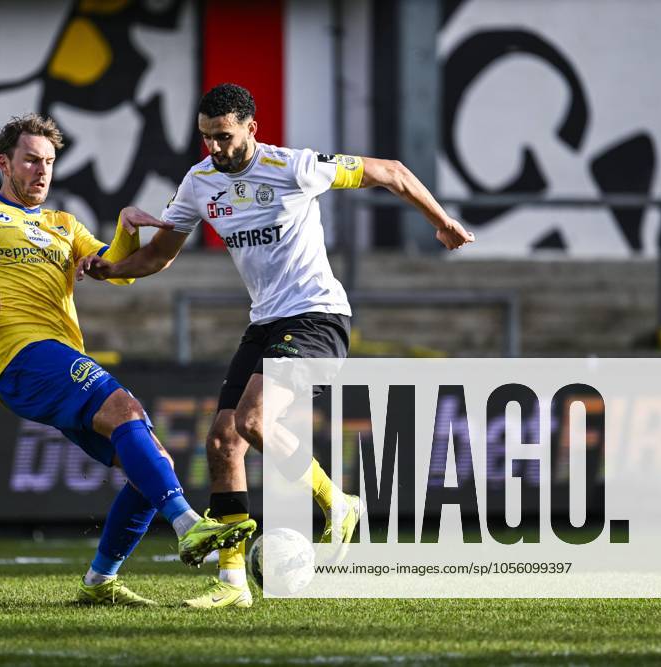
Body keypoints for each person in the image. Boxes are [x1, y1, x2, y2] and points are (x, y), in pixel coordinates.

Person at [75, 83, 475, 608]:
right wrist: (112, 269)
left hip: (317, 318)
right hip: (264, 324)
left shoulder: (295, 167)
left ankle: (339, 504)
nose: (213, 149)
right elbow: (159, 255)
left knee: (253, 422)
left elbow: (393, 171)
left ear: (251, 130)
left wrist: (441, 223)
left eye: (223, 137)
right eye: (205, 138)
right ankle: (233, 587)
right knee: (222, 442)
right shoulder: (199, 183)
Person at [0, 112, 256, 607]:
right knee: (126, 411)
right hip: (21, 355)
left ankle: (100, 582)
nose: (42, 170)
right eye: (31, 160)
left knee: (151, 464)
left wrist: (124, 233)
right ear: (4, 163)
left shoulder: (64, 224)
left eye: (50, 161)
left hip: (60, 357)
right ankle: (186, 525)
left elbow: (115, 272)